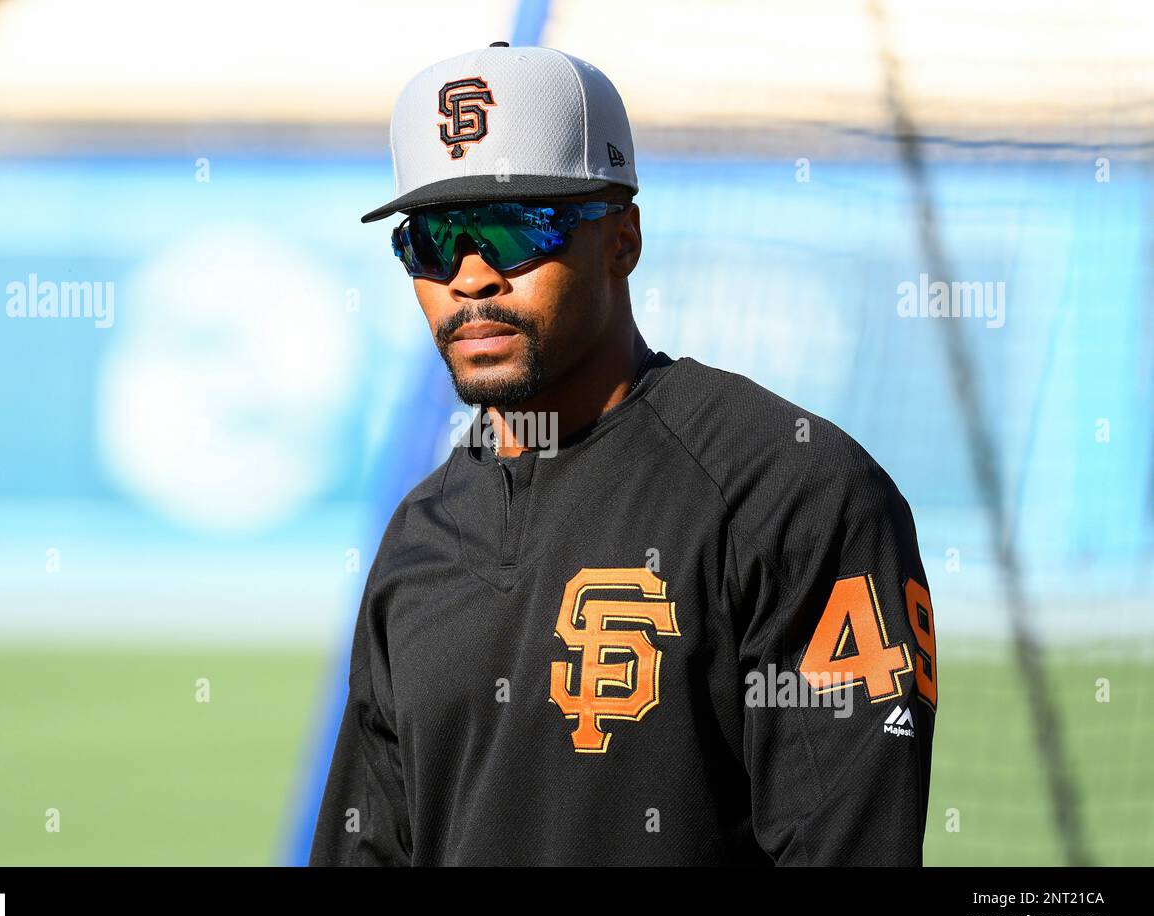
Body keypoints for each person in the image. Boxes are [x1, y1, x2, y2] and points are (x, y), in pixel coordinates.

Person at [310, 42, 936, 865]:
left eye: (510, 227)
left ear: (623, 238)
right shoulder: (418, 536)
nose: (469, 277)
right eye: (431, 240)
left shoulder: (792, 493)